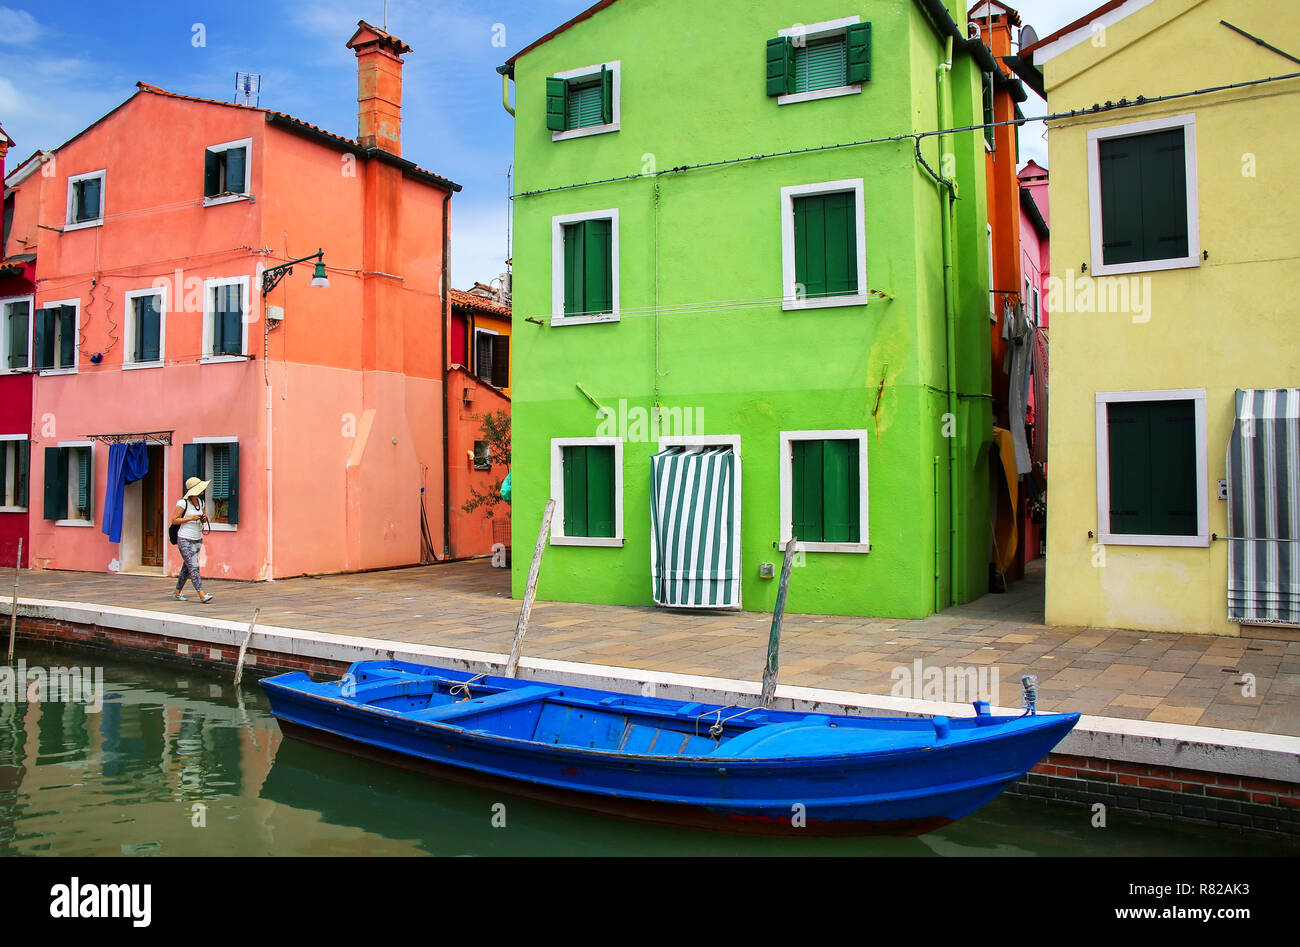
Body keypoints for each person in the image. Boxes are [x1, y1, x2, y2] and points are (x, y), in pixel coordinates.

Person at [172, 476, 213, 603]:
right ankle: (202, 594)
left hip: (197, 538)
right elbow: (174, 520)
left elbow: (205, 517)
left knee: (187, 566)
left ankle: (177, 592)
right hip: (185, 538)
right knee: (193, 565)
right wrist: (191, 518)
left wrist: (204, 518)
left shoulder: (201, 503)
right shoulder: (182, 503)